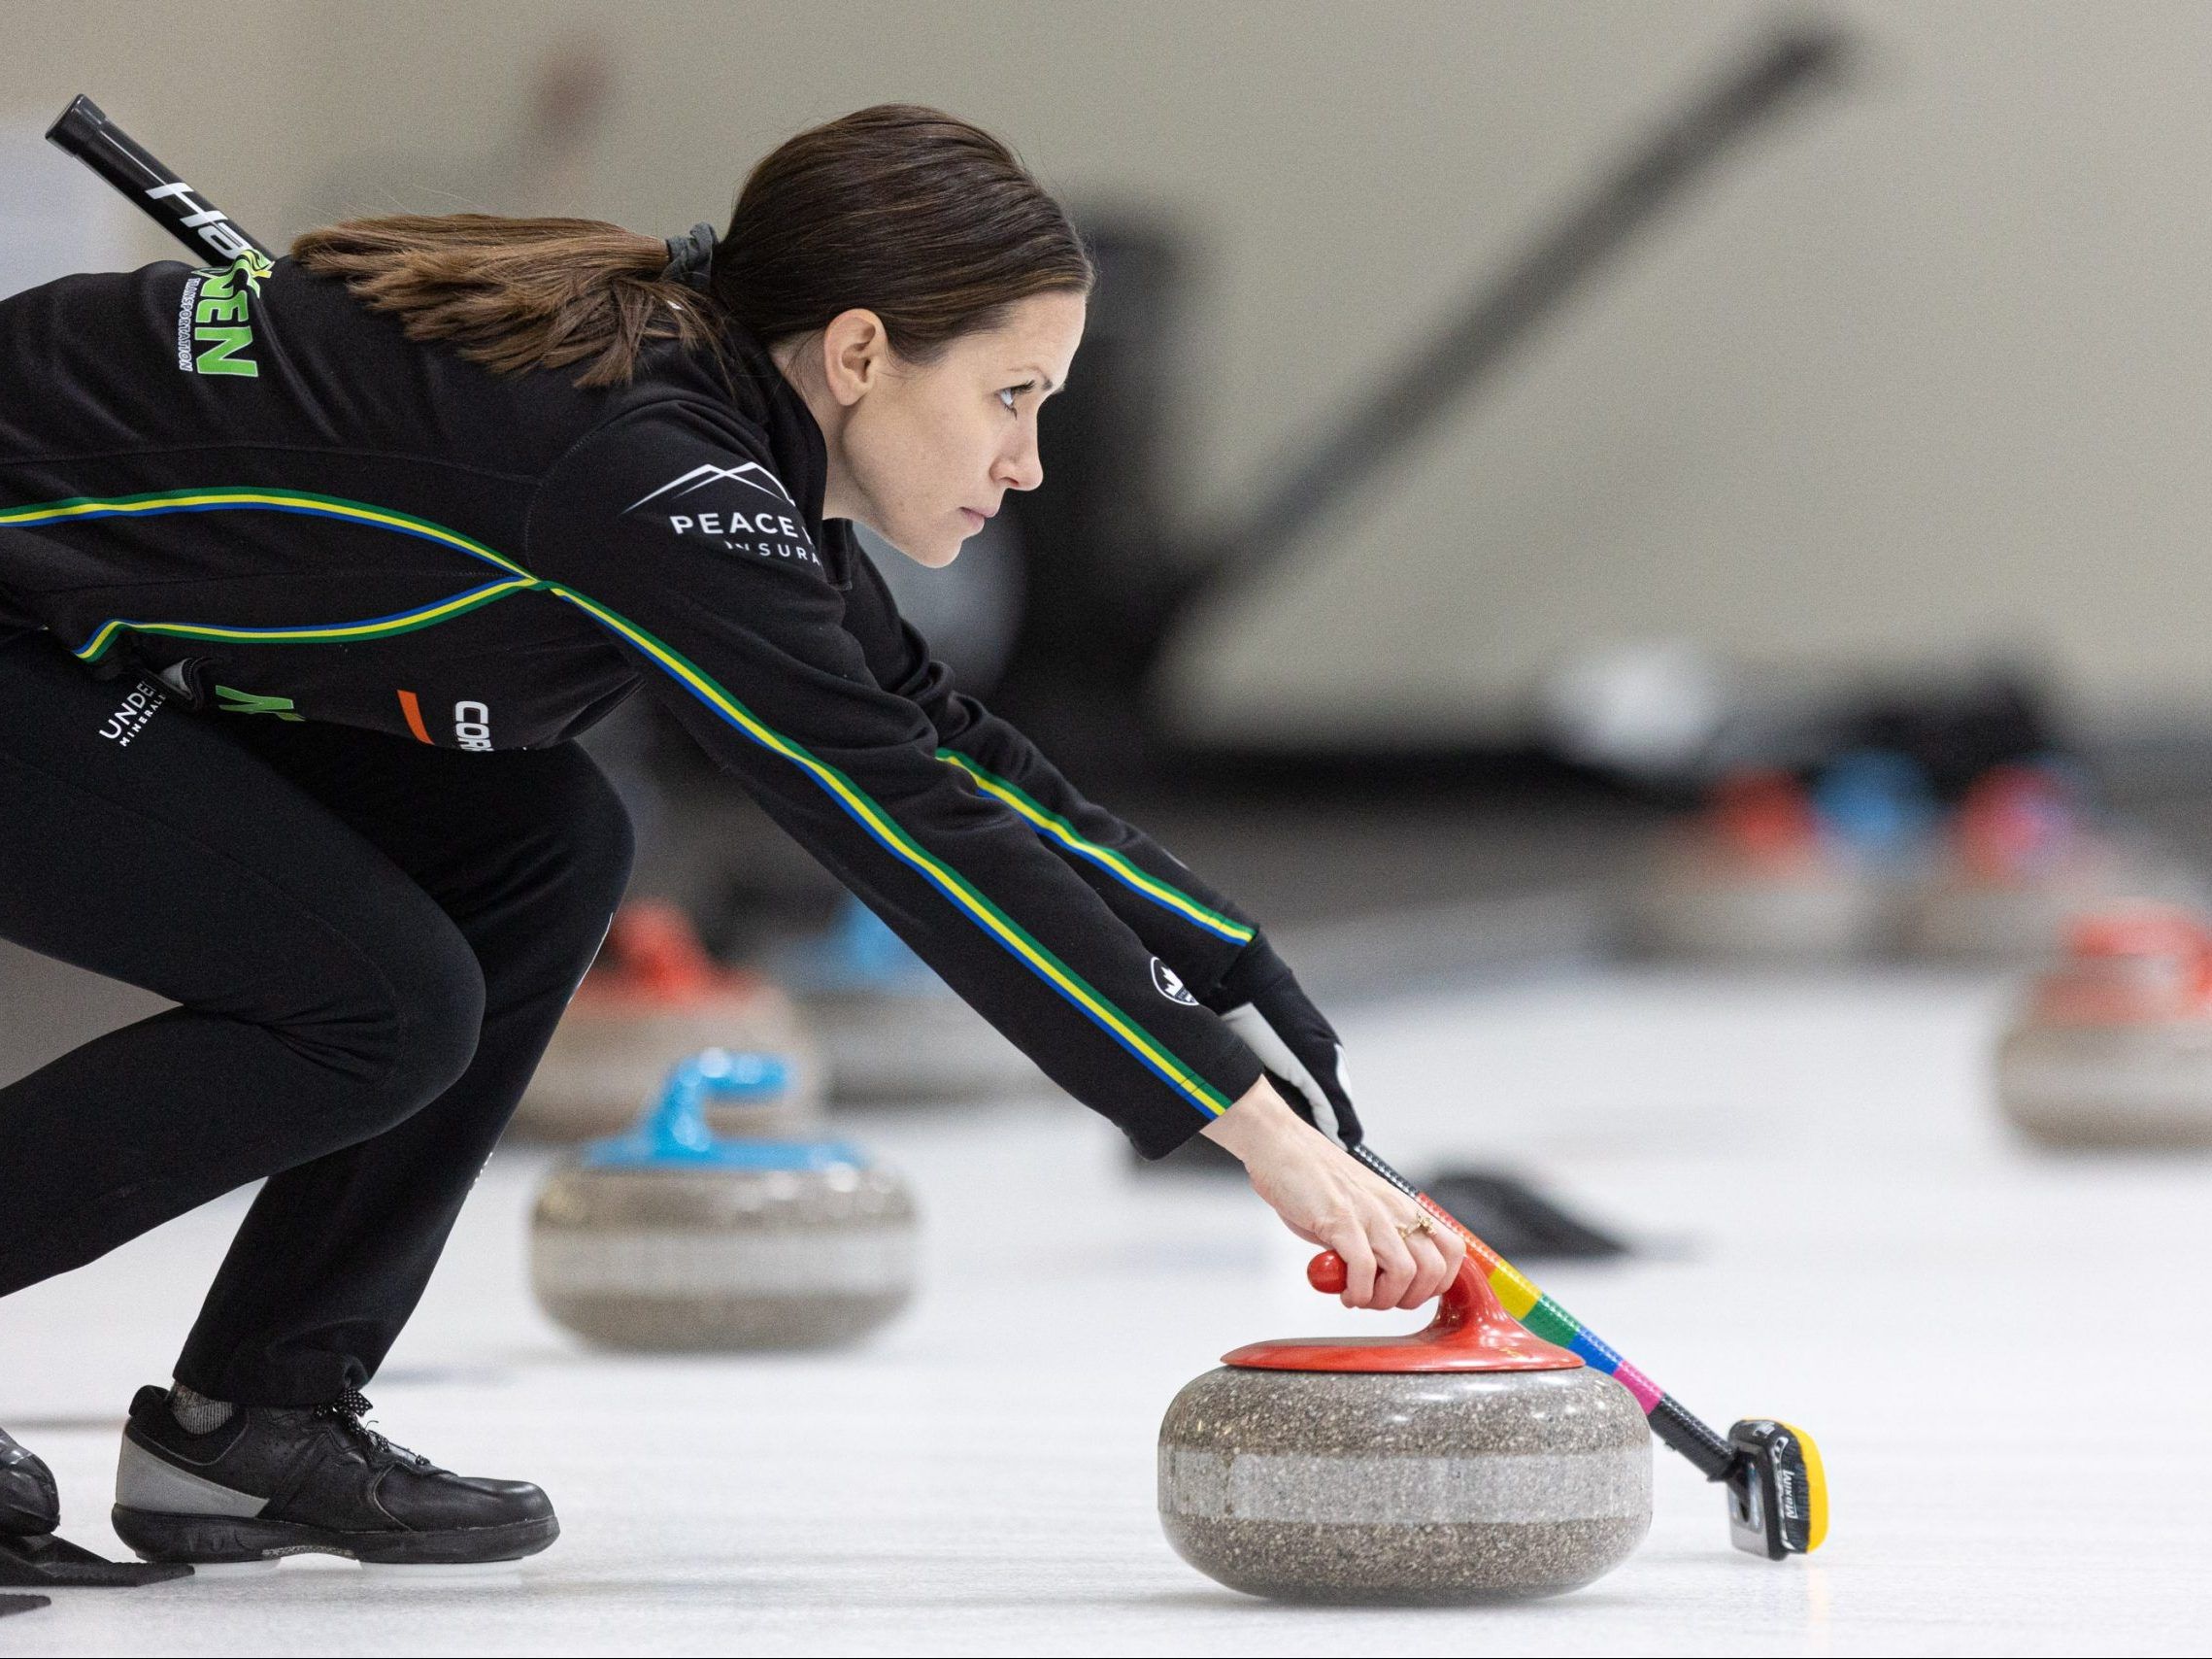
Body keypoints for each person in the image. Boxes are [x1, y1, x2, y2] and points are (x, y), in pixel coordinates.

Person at [0, 104, 1463, 1571]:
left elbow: (927, 735)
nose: (1025, 462)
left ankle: (255, 1425)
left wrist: (1218, 952)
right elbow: (898, 821)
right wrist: (1248, 1128)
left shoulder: (705, 427)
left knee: (543, 843)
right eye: (1011, 395)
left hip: (59, 633)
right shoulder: (650, 472)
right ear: (858, 355)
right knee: (381, 1004)